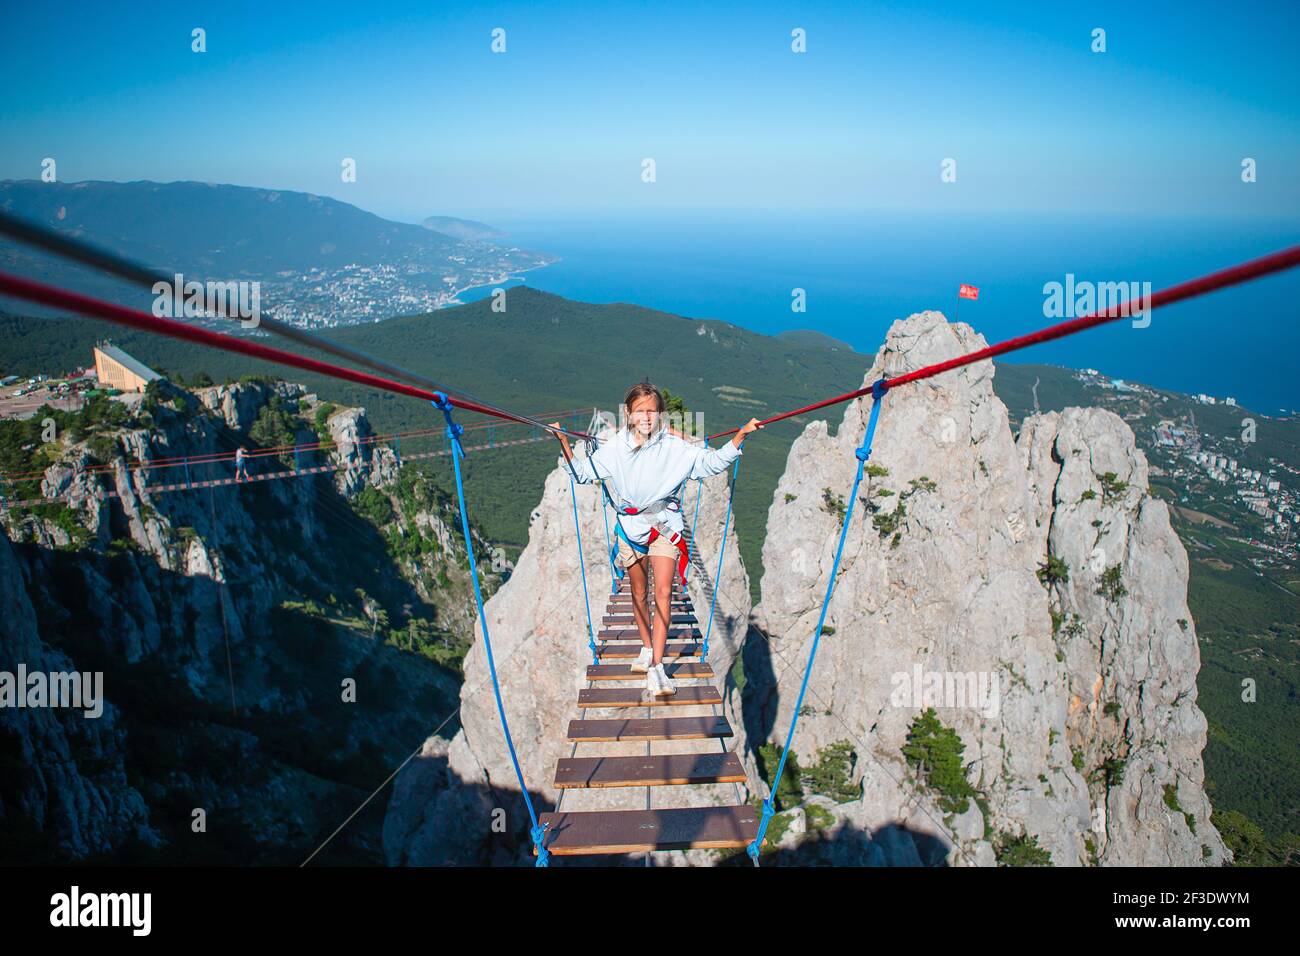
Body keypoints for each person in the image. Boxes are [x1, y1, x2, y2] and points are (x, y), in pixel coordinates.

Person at [551, 382, 762, 697]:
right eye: (640, 411)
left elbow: (712, 463)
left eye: (652, 411)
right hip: (630, 527)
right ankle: (647, 646)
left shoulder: (676, 447)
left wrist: (741, 435)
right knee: (639, 593)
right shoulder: (615, 447)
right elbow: (582, 474)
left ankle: (657, 667)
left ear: (661, 414)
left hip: (664, 525)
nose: (646, 417)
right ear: (629, 414)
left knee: (663, 593)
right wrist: (564, 443)